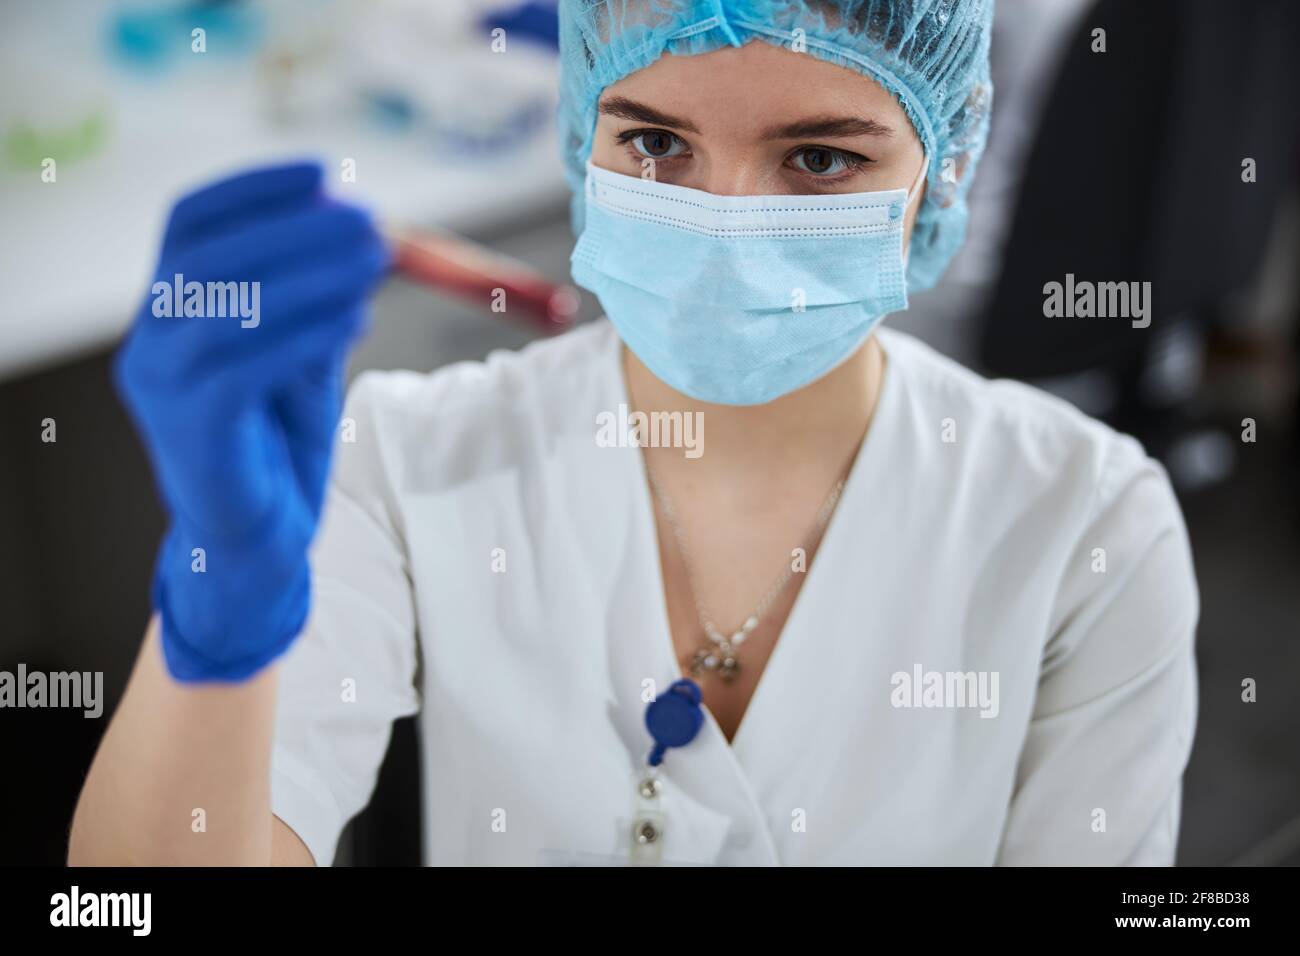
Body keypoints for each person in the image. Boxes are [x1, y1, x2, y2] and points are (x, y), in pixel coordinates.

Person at [70, 0, 1198, 866]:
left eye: (819, 158)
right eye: (656, 144)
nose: (723, 228)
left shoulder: (1086, 523)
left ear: (939, 172)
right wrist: (218, 606)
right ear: (584, 139)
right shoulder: (407, 457)